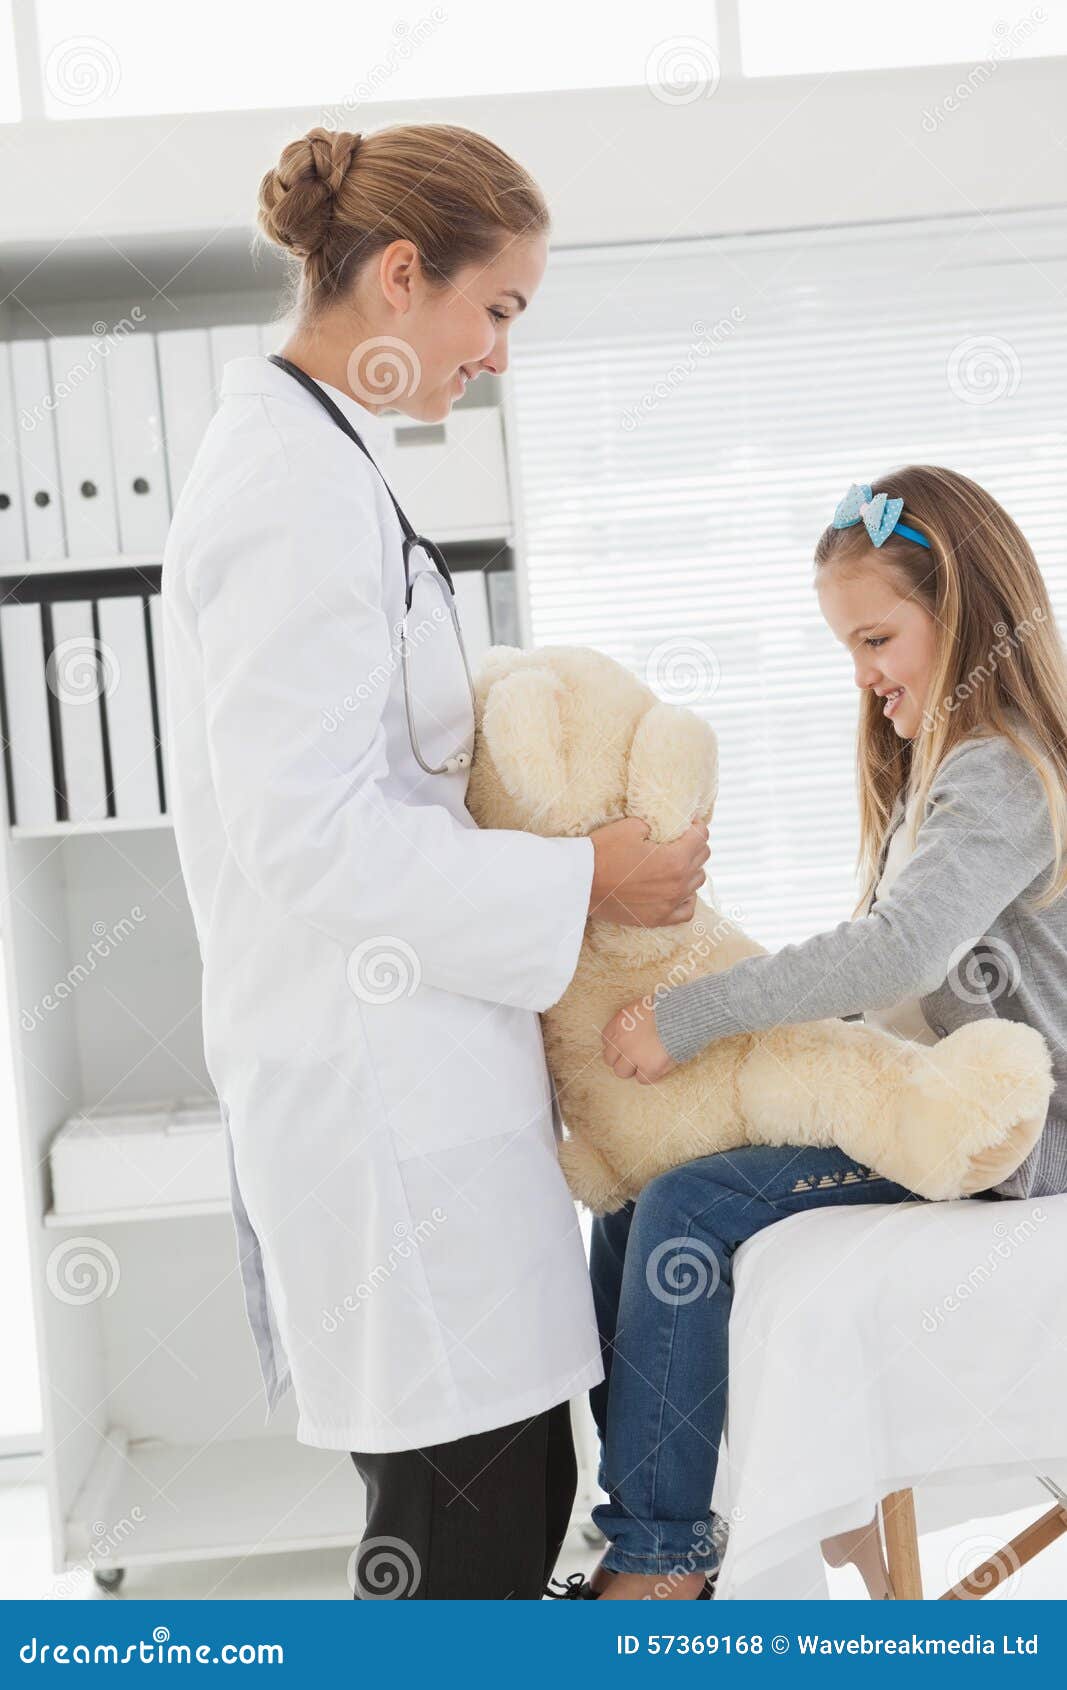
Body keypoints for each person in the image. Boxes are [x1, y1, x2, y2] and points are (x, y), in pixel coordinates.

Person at [160, 122, 709, 1601]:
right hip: (378, 1122)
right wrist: (583, 879)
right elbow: (311, 838)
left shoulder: (324, 462)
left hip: (428, 1107)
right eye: (497, 311)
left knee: (513, 1499)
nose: (501, 357)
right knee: (459, 1549)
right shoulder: (285, 488)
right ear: (402, 274)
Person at [587, 465, 1067, 1599]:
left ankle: (657, 1563)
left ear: (959, 616)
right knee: (630, 1199)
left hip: (1016, 1144)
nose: (863, 678)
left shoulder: (994, 770)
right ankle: (667, 1520)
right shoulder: (935, 773)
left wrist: (691, 1017)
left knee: (682, 1209)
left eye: (876, 639)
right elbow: (877, 984)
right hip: (940, 1111)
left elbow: (894, 953)